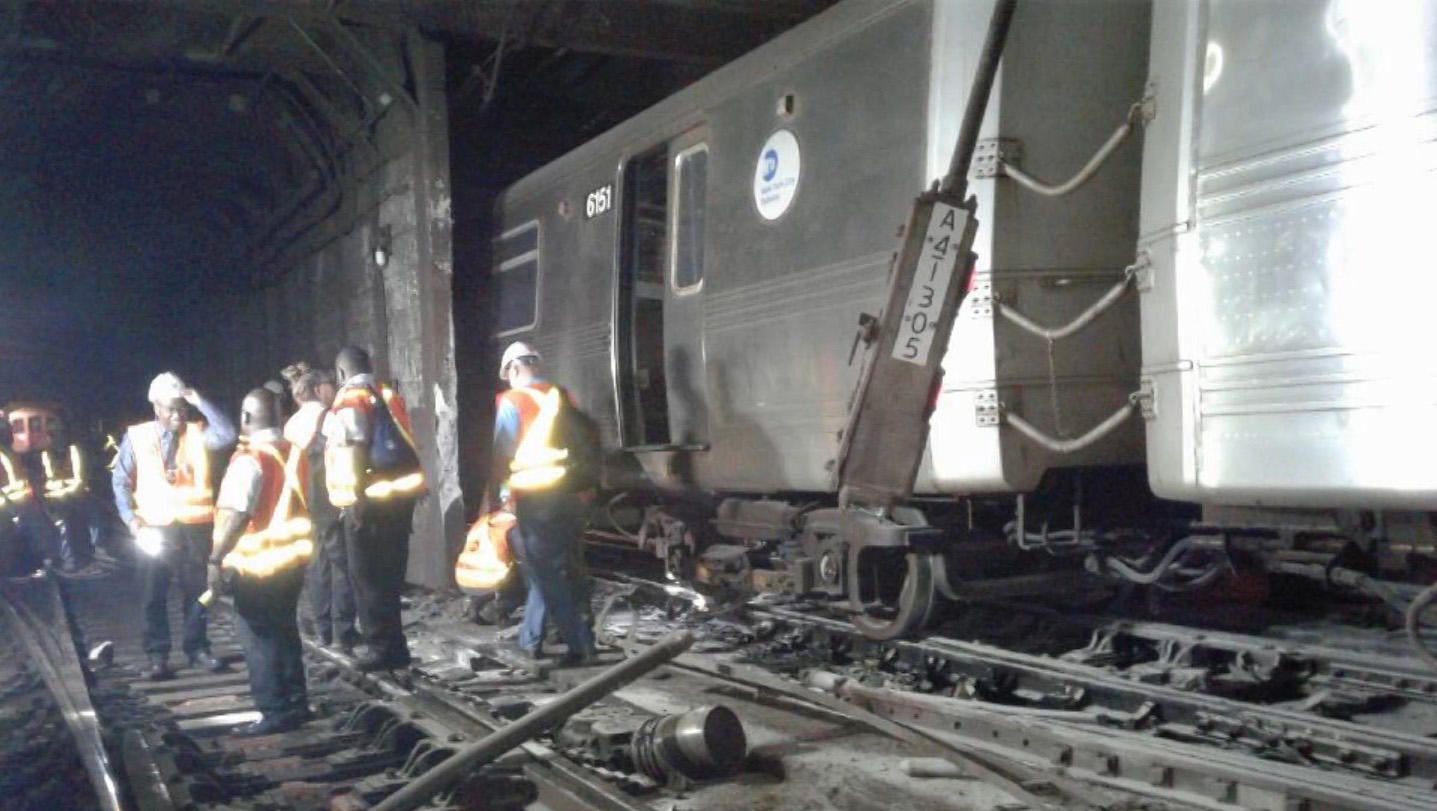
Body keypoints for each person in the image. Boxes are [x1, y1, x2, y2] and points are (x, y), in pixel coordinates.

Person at [112, 373, 236, 680]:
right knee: (153, 593)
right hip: (155, 528)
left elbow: (228, 433)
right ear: (156, 407)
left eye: (181, 407)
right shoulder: (138, 437)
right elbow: (120, 480)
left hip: (194, 527)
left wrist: (199, 400)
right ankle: (157, 655)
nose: (177, 414)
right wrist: (131, 519)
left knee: (198, 591)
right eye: (170, 408)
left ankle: (197, 648)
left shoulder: (198, 432)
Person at [208, 387, 313, 735]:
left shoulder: (250, 460)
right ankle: (297, 704)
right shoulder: (293, 453)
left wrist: (216, 559)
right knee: (285, 632)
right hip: (292, 563)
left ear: (247, 418)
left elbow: (237, 516)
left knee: (259, 638)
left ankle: (274, 711)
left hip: (258, 567)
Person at [490, 341, 597, 666]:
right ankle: (531, 638)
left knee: (545, 572)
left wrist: (501, 498)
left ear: (514, 368)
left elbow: (502, 455)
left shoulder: (513, 401)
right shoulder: (563, 396)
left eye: (508, 372)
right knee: (550, 568)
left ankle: (580, 644)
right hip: (573, 497)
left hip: (537, 500)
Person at [324, 346, 424, 672]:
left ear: (341, 373)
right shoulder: (387, 395)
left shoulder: (349, 400)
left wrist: (355, 501)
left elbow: (352, 448)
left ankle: (381, 649)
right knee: (391, 575)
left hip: (370, 503)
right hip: (400, 499)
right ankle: (396, 647)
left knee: (367, 578)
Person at [282, 362, 356, 653]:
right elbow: (344, 462)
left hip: (303, 504)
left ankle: (323, 629)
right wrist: (348, 502)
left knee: (316, 567)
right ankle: (344, 632)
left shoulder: (290, 426)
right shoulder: (331, 419)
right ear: (316, 390)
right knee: (341, 567)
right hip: (330, 502)